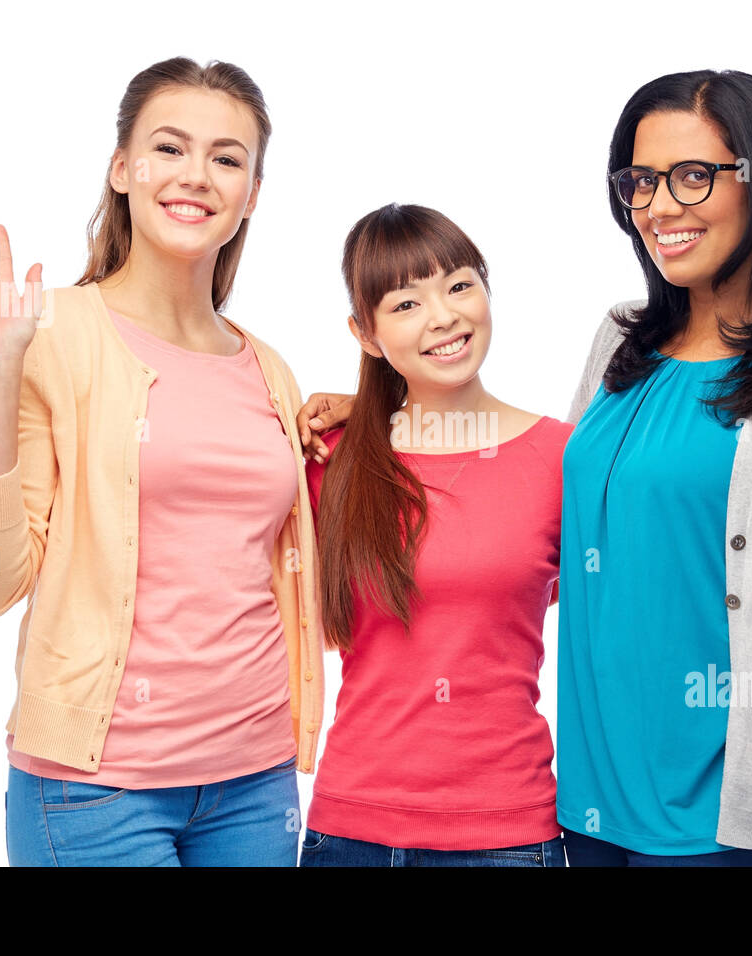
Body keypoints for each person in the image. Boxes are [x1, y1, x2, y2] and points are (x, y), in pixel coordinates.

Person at [296, 70, 752, 867]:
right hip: (588, 810)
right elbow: (545, 522)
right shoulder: (620, 346)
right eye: (642, 182)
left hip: (727, 823)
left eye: (692, 176)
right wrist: (379, 416)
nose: (659, 207)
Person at [0, 57, 323, 867]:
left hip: (256, 782)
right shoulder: (54, 335)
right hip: (95, 791)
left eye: (227, 158)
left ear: (252, 193)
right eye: (169, 149)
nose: (196, 176)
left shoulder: (270, 369)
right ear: (122, 169)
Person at [299, 204, 573, 867]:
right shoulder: (329, 456)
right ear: (365, 334)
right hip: (349, 833)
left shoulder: (564, 458)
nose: (444, 316)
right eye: (406, 303)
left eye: (458, 285)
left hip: (507, 836)